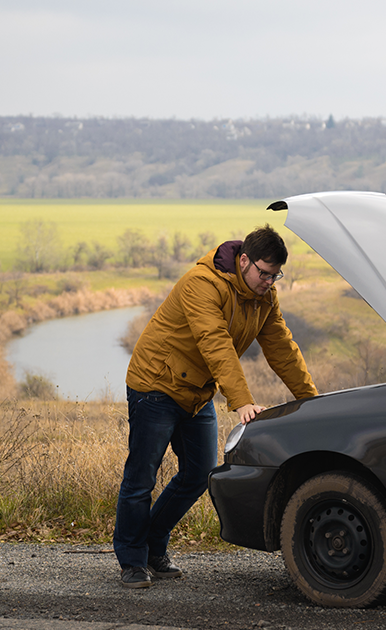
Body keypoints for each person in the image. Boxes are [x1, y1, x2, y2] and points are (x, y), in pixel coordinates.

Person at [114, 224, 318, 588]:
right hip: (156, 385)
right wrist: (241, 401)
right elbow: (215, 343)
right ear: (244, 261)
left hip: (197, 390)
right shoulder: (202, 283)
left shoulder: (264, 299)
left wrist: (310, 400)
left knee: (199, 473)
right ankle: (132, 559)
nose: (269, 282)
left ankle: (152, 545)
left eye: (276, 276)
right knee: (141, 476)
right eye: (264, 273)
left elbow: (282, 349)